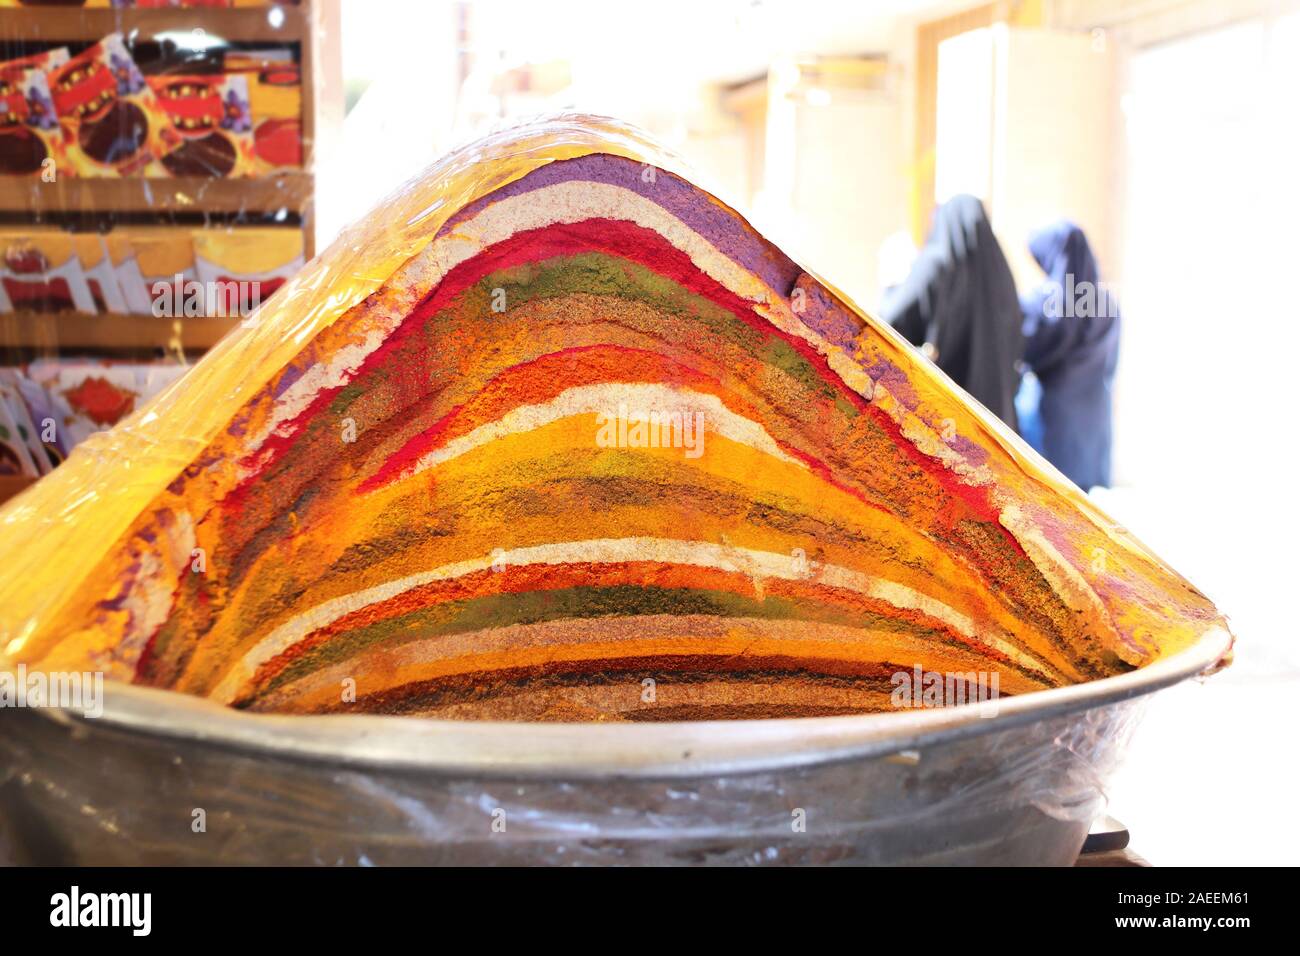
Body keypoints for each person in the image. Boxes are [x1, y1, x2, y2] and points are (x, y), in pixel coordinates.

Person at [880, 194, 1023, 428]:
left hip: (946, 421)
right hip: (997, 426)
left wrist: (889, 287)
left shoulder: (937, 264)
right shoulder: (1002, 278)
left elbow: (891, 320)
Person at [1016, 220, 1120, 491]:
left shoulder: (1046, 303)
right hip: (1095, 419)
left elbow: (1027, 352)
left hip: (1052, 422)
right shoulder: (1108, 303)